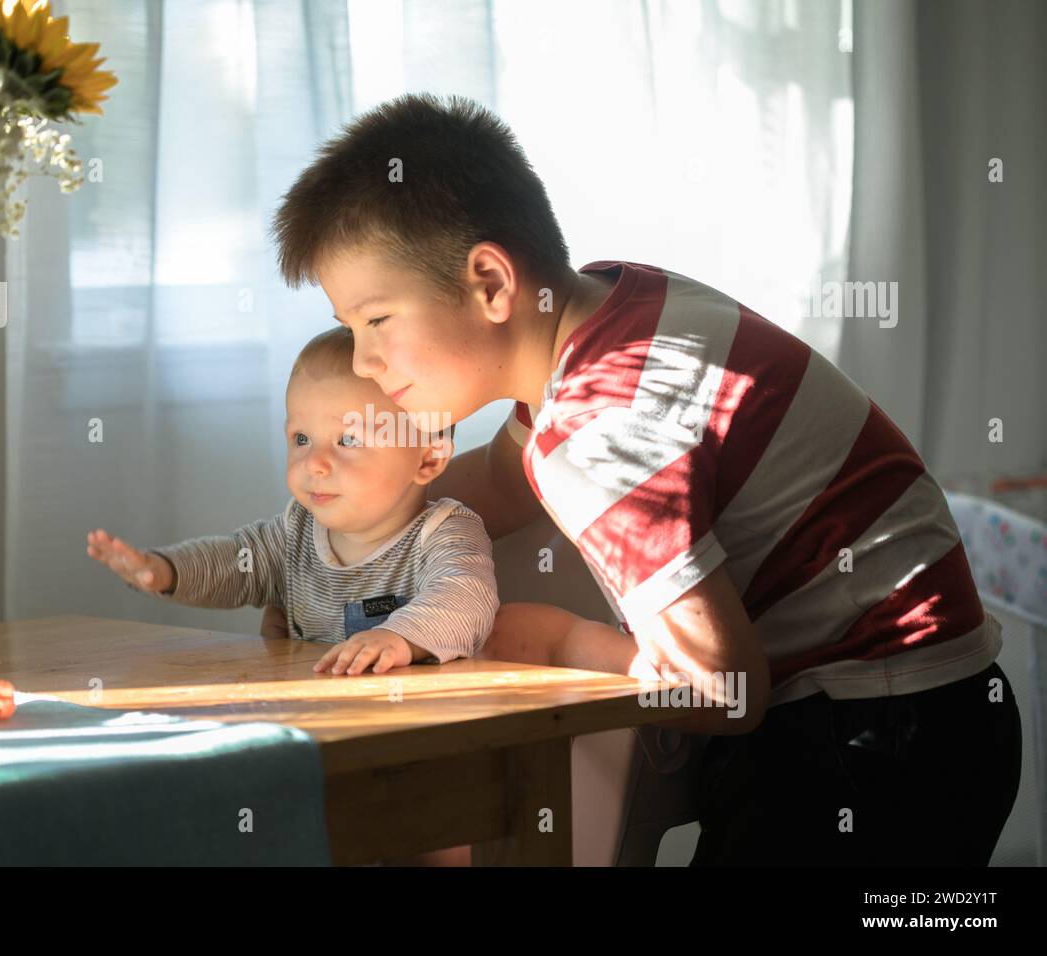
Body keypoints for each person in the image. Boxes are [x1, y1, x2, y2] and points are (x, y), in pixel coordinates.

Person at [263, 92, 1022, 865]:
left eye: (376, 321)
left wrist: (556, 642)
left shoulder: (601, 436)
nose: (362, 361)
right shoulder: (608, 309)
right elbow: (501, 477)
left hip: (877, 733)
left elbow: (722, 689)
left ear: (491, 283)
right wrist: (344, 549)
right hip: (927, 706)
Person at [88, 325, 499, 676]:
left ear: (427, 458)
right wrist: (164, 570)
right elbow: (233, 563)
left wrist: (399, 637)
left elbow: (466, 596)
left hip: (422, 720)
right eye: (302, 439)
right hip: (320, 712)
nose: (315, 463)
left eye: (348, 439)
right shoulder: (297, 531)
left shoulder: (443, 532)